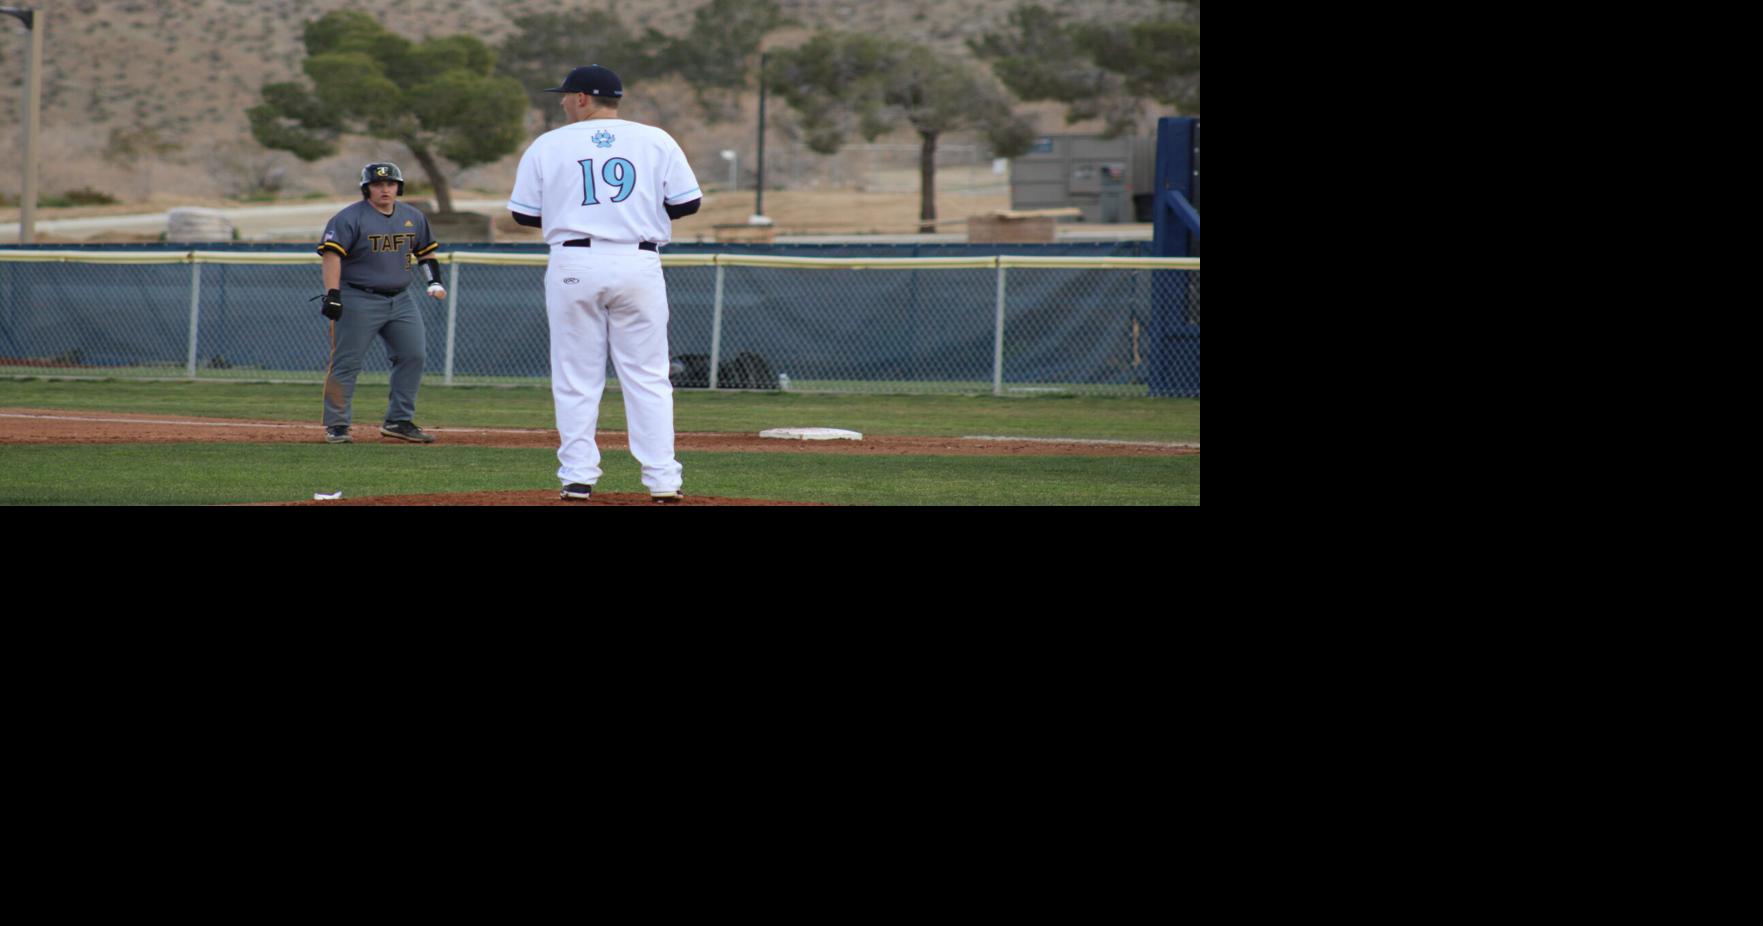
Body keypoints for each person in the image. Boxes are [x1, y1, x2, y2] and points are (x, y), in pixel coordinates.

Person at [506, 65, 702, 502]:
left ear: (582, 98)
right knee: (649, 377)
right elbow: (688, 203)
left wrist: (572, 210)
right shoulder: (656, 139)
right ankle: (663, 481)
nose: (560, 101)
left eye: (565, 95)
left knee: (577, 376)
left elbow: (521, 214)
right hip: (638, 260)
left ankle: (577, 478)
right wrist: (633, 212)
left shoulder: (549, 144)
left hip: (574, 261)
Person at [315, 162, 446, 444]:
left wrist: (434, 281)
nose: (384, 189)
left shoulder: (413, 216)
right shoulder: (349, 218)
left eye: (390, 184)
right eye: (377, 184)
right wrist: (333, 294)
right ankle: (337, 424)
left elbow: (426, 253)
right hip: (358, 297)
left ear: (399, 187)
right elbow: (332, 255)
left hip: (401, 298)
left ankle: (399, 421)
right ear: (367, 189)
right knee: (347, 362)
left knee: (413, 355)